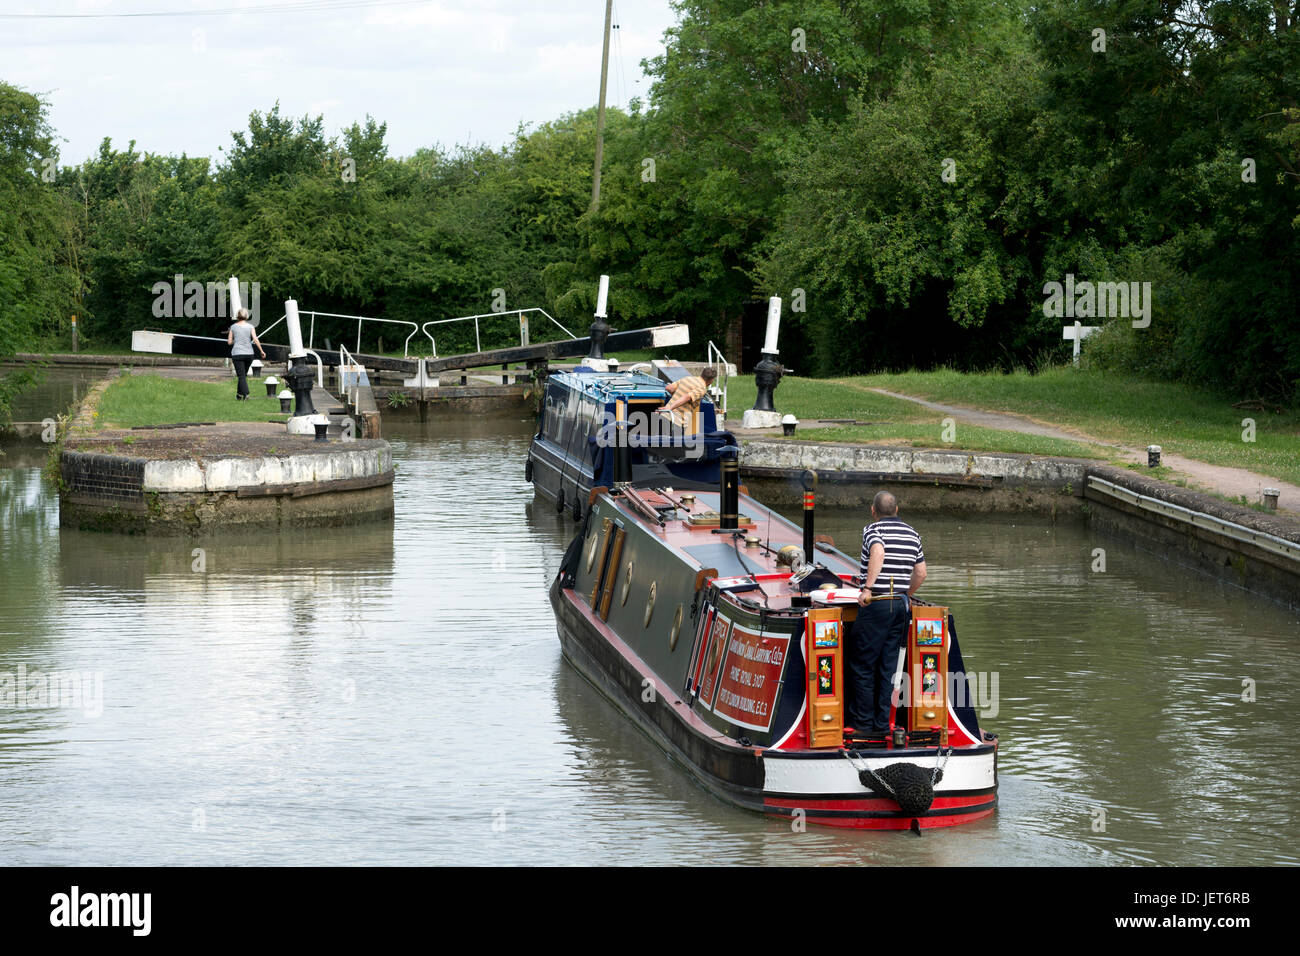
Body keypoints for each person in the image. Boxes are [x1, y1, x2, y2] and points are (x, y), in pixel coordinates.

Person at [845, 490, 927, 733]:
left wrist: (867, 588)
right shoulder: (913, 534)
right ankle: (882, 724)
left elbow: (878, 552)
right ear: (897, 510)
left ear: (873, 511)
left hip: (878, 603)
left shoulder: (873, 530)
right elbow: (921, 573)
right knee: (888, 665)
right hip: (901, 606)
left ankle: (863, 724)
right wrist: (907, 594)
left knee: (862, 663)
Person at [227, 308, 266, 401]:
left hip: (237, 354)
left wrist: (236, 340)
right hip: (249, 354)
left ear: (238, 316)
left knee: (241, 376)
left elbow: (229, 342)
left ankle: (246, 393)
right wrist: (261, 351)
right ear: (246, 316)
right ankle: (239, 395)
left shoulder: (233, 327)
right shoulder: (250, 326)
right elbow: (255, 339)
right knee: (243, 375)